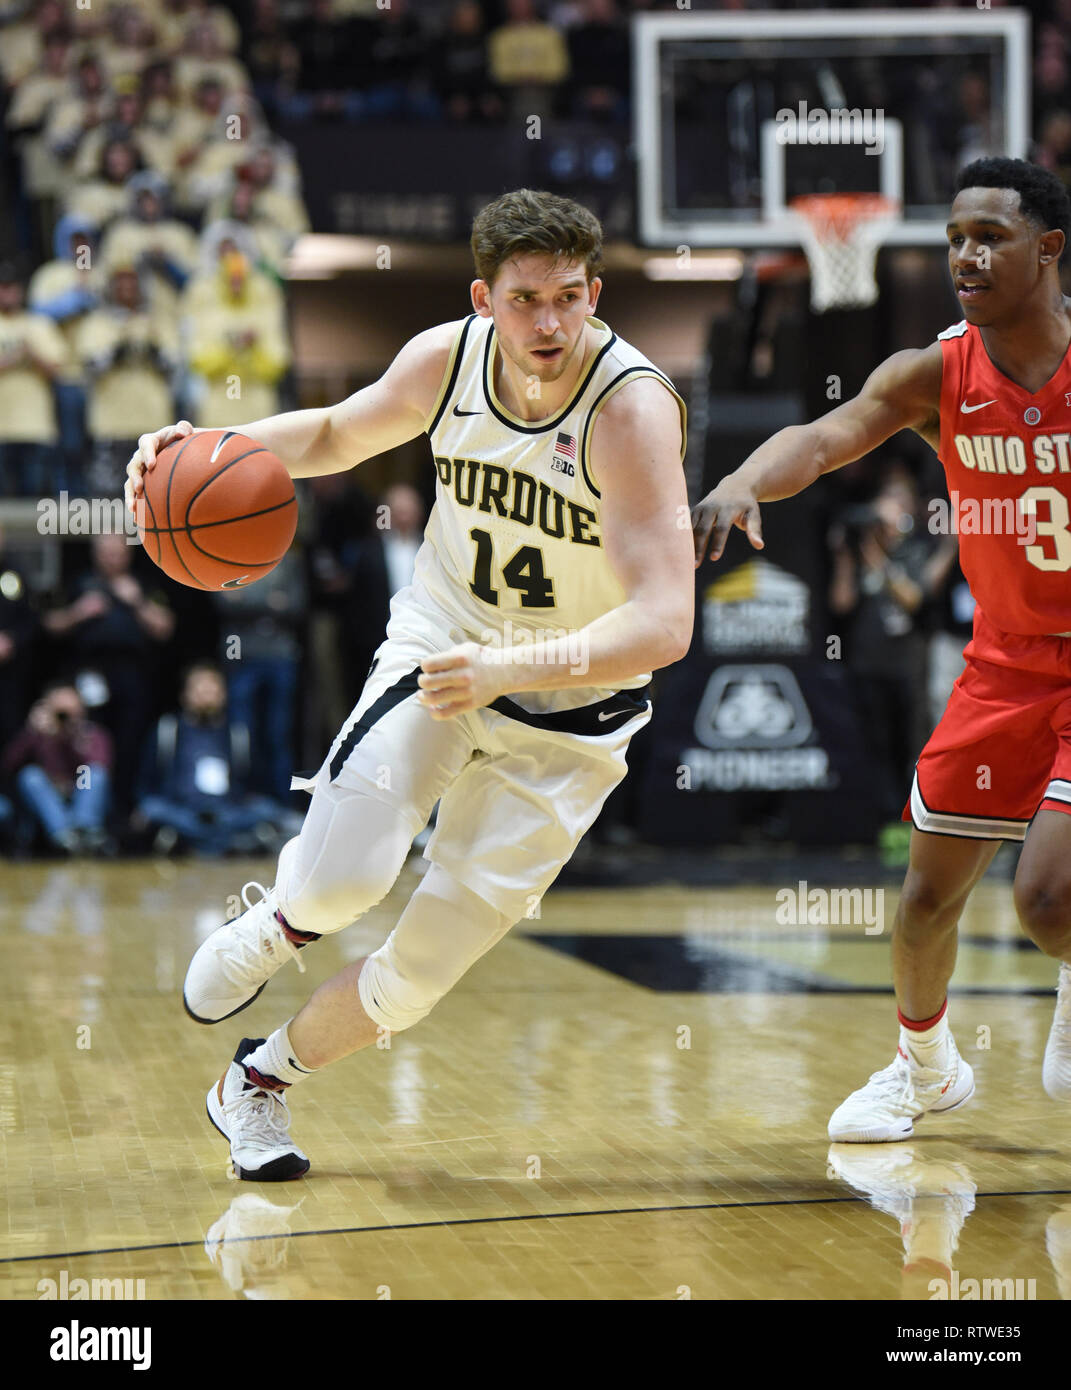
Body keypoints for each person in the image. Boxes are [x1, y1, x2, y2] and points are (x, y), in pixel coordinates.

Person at [125, 188, 692, 1180]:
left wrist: (515, 665)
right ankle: (283, 918)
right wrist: (200, 451)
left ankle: (257, 1084)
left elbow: (665, 620)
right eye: (526, 299)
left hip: (572, 713)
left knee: (418, 977)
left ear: (595, 293)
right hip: (447, 644)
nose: (550, 321)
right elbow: (342, 432)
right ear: (484, 299)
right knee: (347, 878)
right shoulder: (447, 358)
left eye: (570, 297)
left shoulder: (631, 409)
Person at [692, 157, 1071, 1143]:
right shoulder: (936, 373)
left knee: (1047, 896)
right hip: (1003, 667)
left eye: (988, 234)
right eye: (953, 238)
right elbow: (822, 438)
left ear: (1049, 249)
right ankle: (925, 1068)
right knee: (924, 899)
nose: (965, 255)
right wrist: (742, 479)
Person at [135, 662, 296, 856]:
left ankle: (199, 842)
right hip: (183, 812)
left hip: (228, 812)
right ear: (185, 695)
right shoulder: (168, 730)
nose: (206, 697)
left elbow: (254, 783)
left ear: (223, 695)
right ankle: (224, 842)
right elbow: (147, 781)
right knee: (152, 808)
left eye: (211, 690)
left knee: (267, 810)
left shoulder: (238, 733)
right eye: (199, 690)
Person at [2, 681, 113, 855]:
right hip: (49, 799)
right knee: (30, 776)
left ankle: (82, 827)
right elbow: (8, 765)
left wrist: (74, 740)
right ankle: (64, 834)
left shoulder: (92, 735)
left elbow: (101, 768)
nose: (65, 718)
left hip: (80, 794)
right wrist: (31, 733)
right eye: (60, 712)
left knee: (92, 773)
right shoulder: (39, 734)